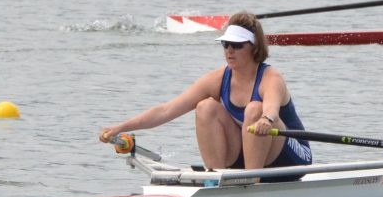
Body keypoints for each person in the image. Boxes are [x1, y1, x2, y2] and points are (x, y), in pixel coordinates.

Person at [97, 12, 312, 171]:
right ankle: (217, 178)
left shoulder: (270, 77)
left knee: (255, 110)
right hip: (248, 155)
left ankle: (250, 184)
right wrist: (121, 126)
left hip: (290, 157)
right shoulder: (218, 78)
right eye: (226, 44)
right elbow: (166, 110)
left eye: (236, 45)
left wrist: (267, 118)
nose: (229, 50)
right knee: (205, 107)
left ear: (254, 47)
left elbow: (271, 108)